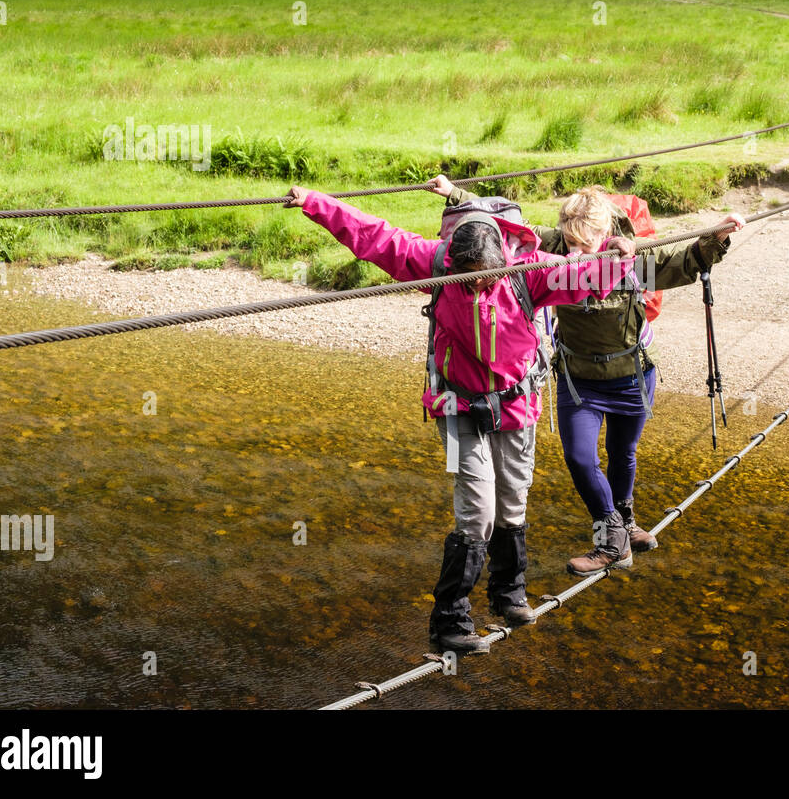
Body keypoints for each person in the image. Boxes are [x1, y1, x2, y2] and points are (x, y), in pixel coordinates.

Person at [286, 184, 635, 654]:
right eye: (465, 277)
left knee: (512, 502)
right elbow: (372, 235)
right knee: (477, 512)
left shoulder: (527, 273)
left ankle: (508, 594)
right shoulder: (431, 263)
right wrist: (315, 203)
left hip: (517, 407)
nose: (474, 286)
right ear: (451, 263)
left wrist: (619, 256)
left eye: (483, 279)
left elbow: (584, 275)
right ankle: (450, 620)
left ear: (501, 264)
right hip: (457, 410)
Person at [431, 177, 746, 576]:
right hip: (579, 378)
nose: (577, 254)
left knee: (622, 453)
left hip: (631, 374)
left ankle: (625, 525)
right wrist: (455, 194)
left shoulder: (636, 259)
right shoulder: (548, 249)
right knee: (580, 458)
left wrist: (716, 237)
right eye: (570, 242)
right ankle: (611, 539)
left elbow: (686, 261)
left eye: (585, 244)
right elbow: (501, 222)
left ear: (606, 232)